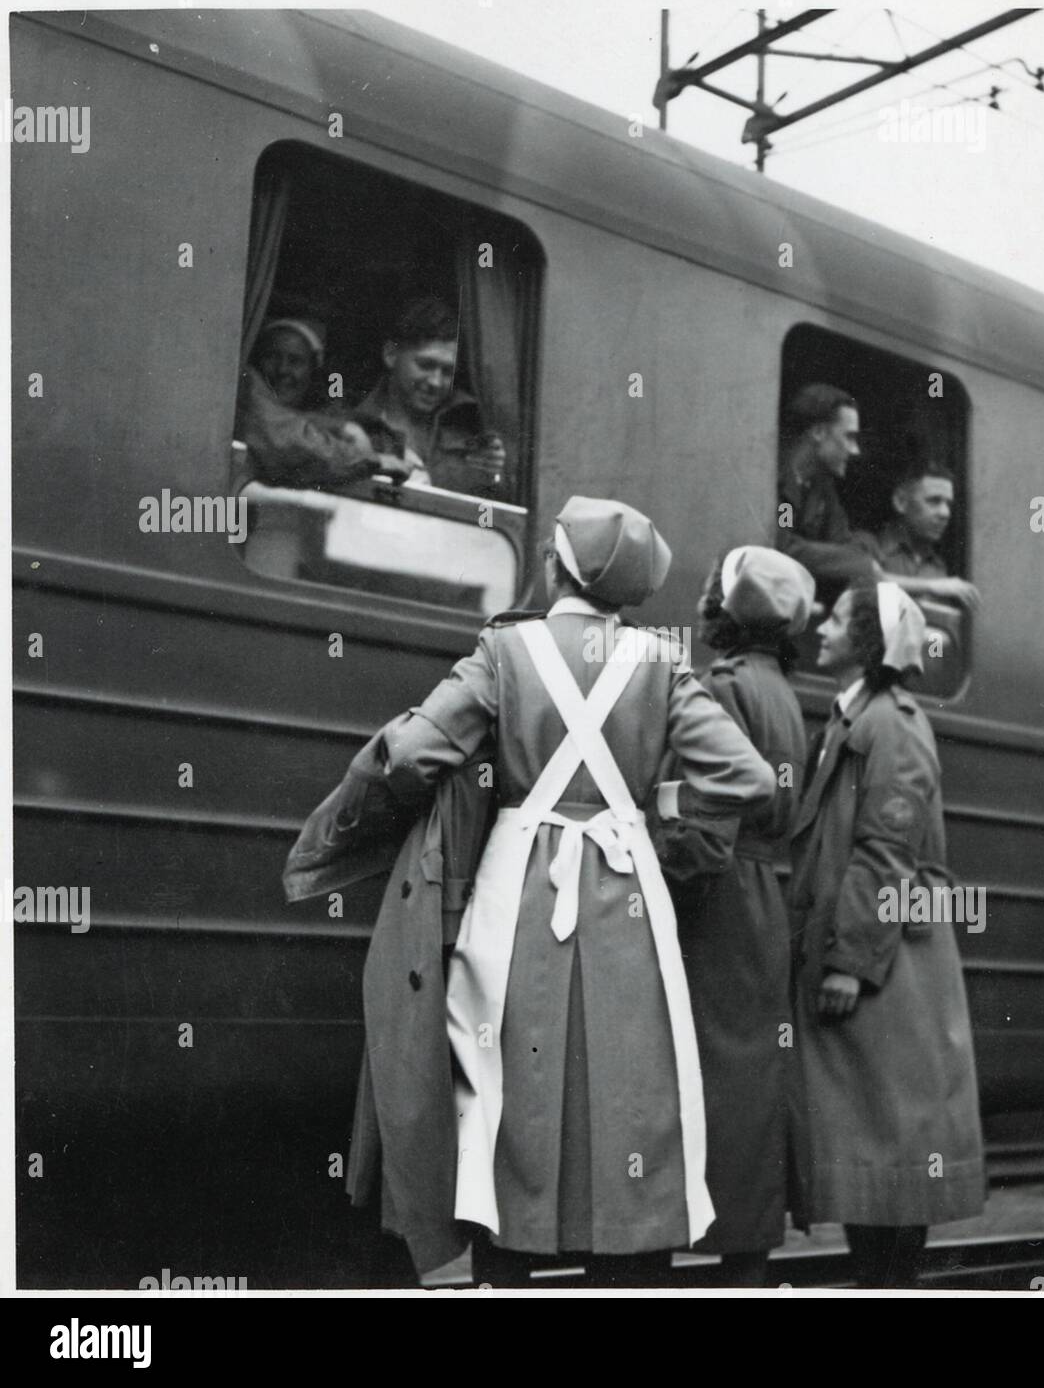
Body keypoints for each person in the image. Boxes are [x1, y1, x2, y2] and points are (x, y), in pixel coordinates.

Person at [300, 495, 776, 1288]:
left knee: (504, 1084)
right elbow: (749, 779)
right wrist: (645, 814)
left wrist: (342, 834)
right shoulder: (661, 663)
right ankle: (630, 1251)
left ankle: (507, 1256)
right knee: (631, 1083)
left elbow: (413, 753)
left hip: (519, 887)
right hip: (628, 892)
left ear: (555, 565)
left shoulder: (503, 653)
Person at [787, 580, 985, 1288]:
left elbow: (884, 848)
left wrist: (848, 964)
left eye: (839, 617)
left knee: (892, 1144)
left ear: (870, 641)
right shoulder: (861, 717)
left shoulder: (890, 723)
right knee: (876, 1144)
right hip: (885, 954)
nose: (823, 624)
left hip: (891, 961)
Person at [657, 546, 814, 1286]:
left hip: (716, 897)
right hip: (762, 895)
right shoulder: (781, 689)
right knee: (751, 1078)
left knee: (701, 1077)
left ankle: (686, 1245)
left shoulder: (719, 687)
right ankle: (748, 1256)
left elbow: (703, 816)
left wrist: (664, 882)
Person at [235, 316, 415, 489]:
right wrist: (373, 460)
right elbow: (286, 439)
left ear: (312, 371)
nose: (282, 369)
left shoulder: (330, 414)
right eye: (272, 357)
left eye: (295, 361)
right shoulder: (245, 388)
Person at [356, 296, 509, 499]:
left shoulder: (474, 427)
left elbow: (495, 512)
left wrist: (496, 476)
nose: (436, 382)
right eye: (426, 365)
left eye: (447, 371)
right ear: (391, 354)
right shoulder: (353, 426)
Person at [776, 384, 874, 605]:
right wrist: (856, 562)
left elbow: (846, 544)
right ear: (819, 432)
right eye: (849, 437)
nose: (855, 449)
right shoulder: (774, 474)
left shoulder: (822, 487)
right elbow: (782, 547)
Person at [847, 462, 981, 611]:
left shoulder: (937, 567)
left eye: (948, 504)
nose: (945, 513)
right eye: (934, 501)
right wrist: (931, 586)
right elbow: (862, 587)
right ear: (900, 502)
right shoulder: (865, 545)